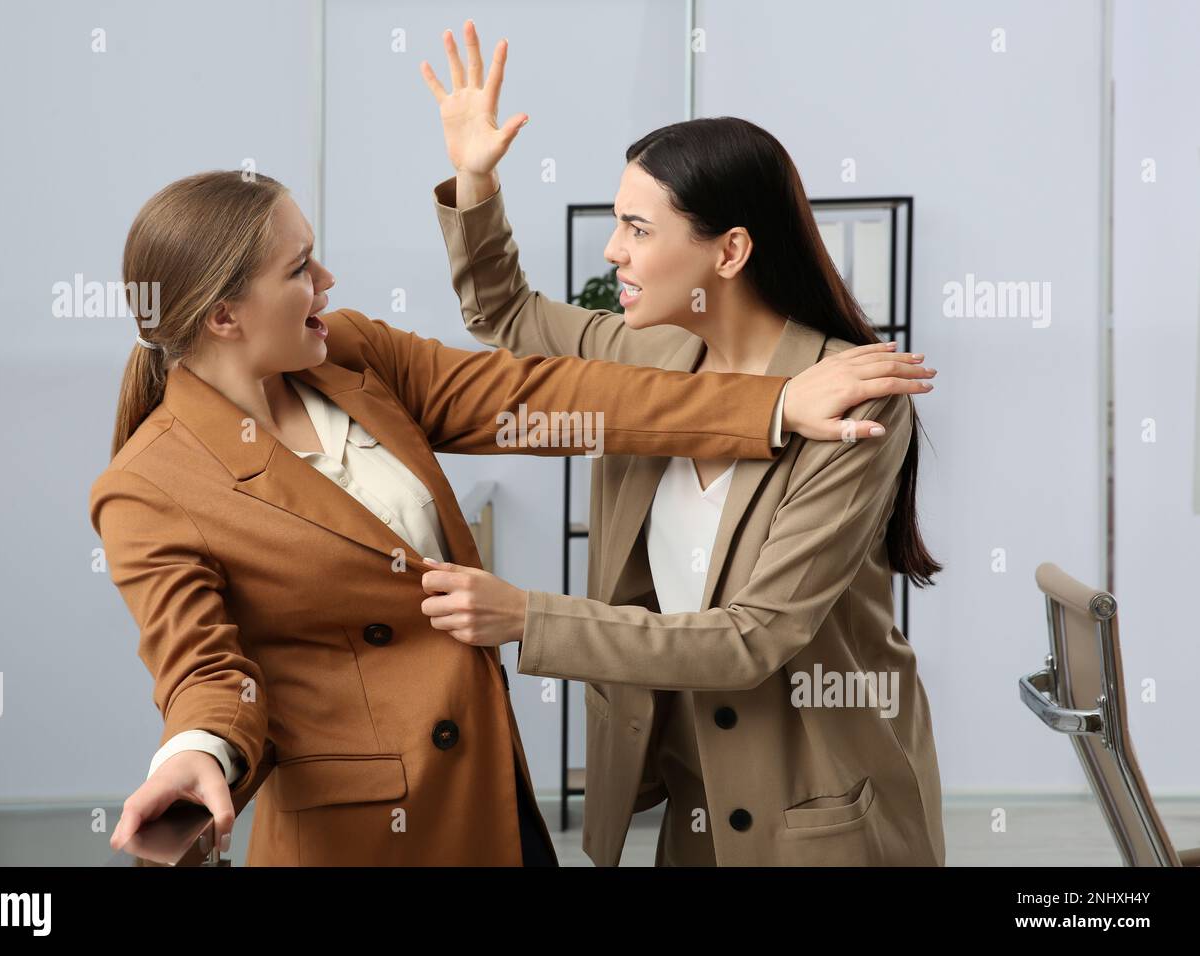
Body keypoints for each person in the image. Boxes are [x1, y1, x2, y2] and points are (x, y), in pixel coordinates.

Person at [91, 163, 933, 865]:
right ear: (223, 315)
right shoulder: (150, 486)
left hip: (490, 789)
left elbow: (537, 395)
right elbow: (204, 669)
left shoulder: (349, 353)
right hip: (366, 835)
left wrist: (772, 403)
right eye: (300, 268)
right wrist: (196, 750)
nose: (326, 280)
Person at [417, 20, 946, 865]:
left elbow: (750, 639)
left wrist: (524, 617)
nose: (611, 250)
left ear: (730, 250)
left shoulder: (854, 401)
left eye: (637, 228)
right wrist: (475, 180)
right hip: (692, 807)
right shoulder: (653, 355)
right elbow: (507, 317)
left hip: (819, 815)